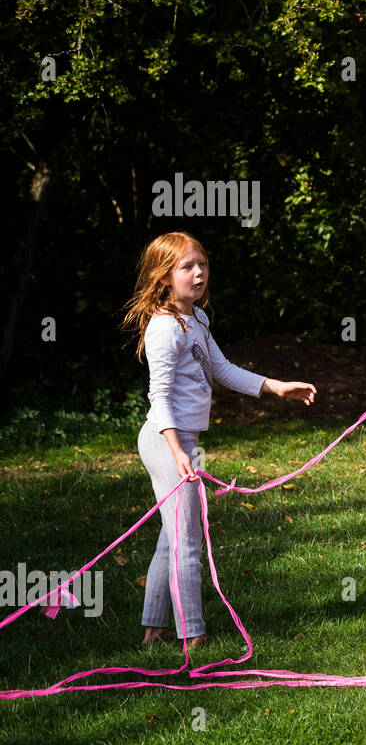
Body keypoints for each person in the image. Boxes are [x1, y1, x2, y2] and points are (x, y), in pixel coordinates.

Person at [123, 232, 317, 648]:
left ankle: (152, 630)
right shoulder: (164, 329)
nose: (198, 273)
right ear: (163, 278)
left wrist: (275, 386)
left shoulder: (197, 320)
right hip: (165, 442)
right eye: (186, 267)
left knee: (171, 537)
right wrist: (177, 452)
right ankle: (194, 634)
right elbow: (158, 398)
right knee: (187, 542)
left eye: (202, 264)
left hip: (184, 441)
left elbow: (222, 369)